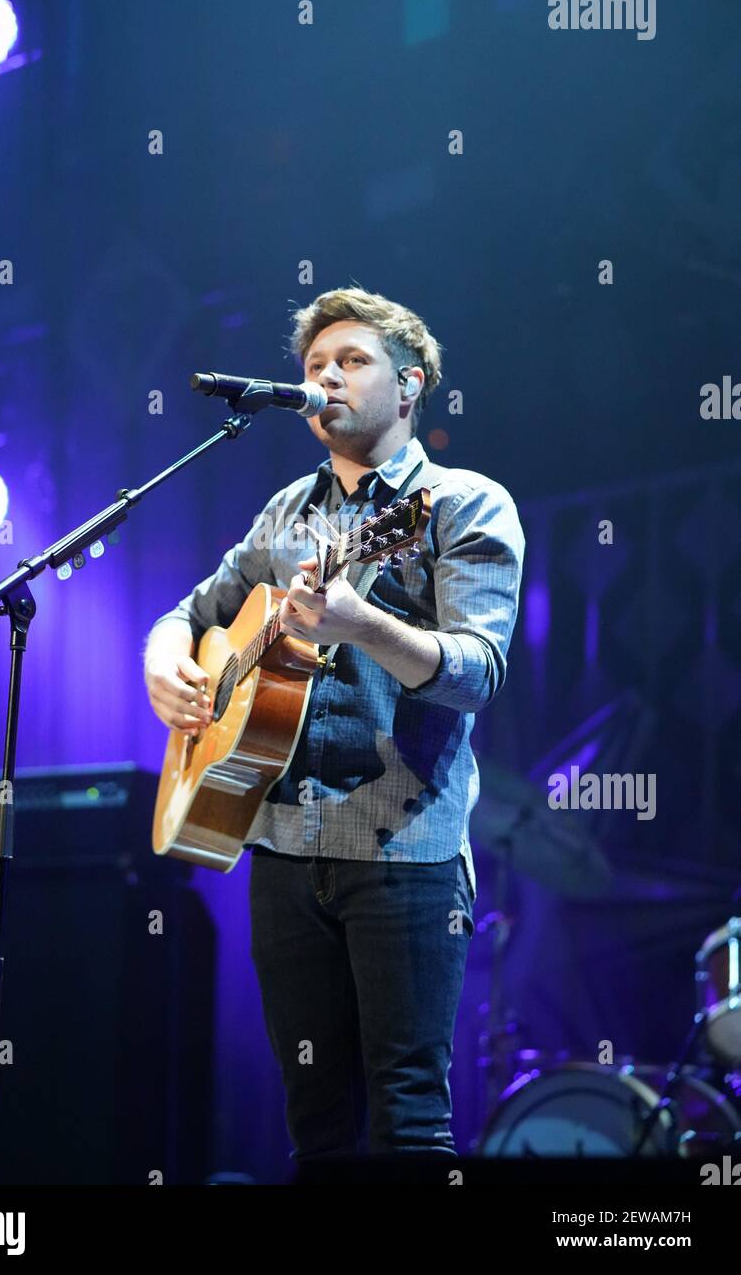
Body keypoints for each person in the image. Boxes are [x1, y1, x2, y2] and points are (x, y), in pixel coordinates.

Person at [144, 286, 525, 1165]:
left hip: (403, 849)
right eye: (314, 366)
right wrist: (164, 663)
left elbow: (477, 673)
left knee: (406, 1121)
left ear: (410, 384)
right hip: (278, 845)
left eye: (351, 362)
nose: (326, 378)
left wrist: (362, 625)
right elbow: (191, 612)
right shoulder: (285, 512)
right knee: (316, 1124)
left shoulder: (460, 504)